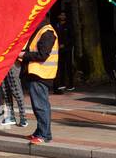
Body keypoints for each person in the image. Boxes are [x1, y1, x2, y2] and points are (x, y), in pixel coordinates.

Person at [20, 12, 59, 144]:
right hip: (37, 73)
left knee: (40, 105)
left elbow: (42, 55)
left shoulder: (47, 32)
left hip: (41, 74)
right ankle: (41, 132)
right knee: (40, 105)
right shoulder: (41, 30)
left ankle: (43, 134)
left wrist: (23, 55)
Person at [54, 9, 76, 93]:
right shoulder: (56, 25)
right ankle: (62, 84)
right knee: (61, 67)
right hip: (59, 49)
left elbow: (72, 38)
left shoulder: (69, 26)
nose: (62, 17)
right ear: (58, 16)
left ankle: (71, 85)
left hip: (67, 49)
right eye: (61, 15)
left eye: (64, 15)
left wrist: (65, 44)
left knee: (69, 66)